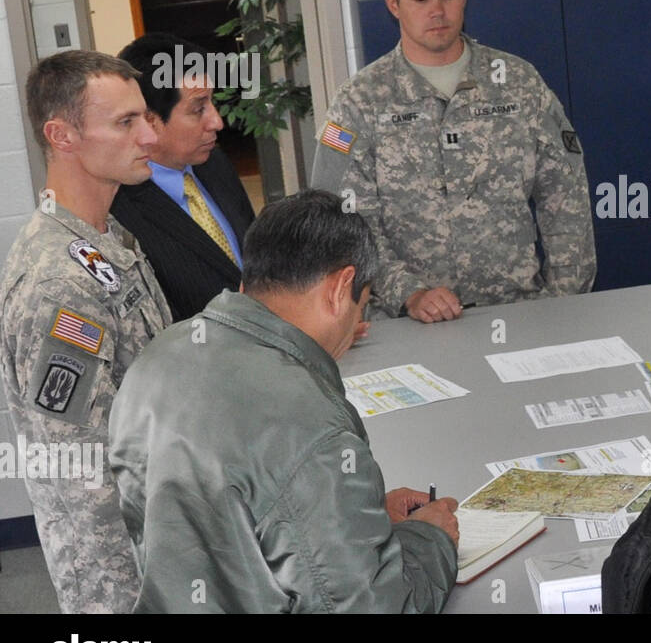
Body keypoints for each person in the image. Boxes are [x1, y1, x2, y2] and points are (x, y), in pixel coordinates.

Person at [108, 190, 461, 613]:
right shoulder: (311, 422)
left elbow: (224, 526)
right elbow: (368, 607)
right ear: (340, 288)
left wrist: (358, 517)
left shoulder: (157, 358)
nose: (358, 322)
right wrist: (429, 538)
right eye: (362, 305)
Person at [311, 0, 595, 323]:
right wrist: (408, 293)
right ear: (393, 3)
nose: (437, 11)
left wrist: (564, 300)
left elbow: (566, 195)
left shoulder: (517, 82)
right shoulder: (359, 102)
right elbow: (343, 221)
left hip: (517, 312)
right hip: (407, 323)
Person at [0, 51, 172, 613]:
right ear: (62, 136)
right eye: (125, 122)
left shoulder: (103, 237)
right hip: (125, 576)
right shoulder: (58, 283)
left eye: (146, 117)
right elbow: (82, 471)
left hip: (162, 536)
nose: (150, 136)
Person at [109, 33, 256, 320]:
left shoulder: (214, 163)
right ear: (149, 120)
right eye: (198, 109)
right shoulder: (119, 210)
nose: (217, 122)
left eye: (212, 103)